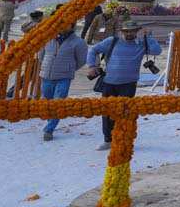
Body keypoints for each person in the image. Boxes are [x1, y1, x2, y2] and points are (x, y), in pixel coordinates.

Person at [87, 21, 161, 150]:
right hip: (109, 82)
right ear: (122, 31)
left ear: (136, 31)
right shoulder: (112, 41)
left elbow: (157, 51)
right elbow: (93, 50)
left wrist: (148, 36)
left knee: (125, 113)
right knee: (107, 112)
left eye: (132, 31)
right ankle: (108, 140)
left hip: (128, 84)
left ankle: (123, 140)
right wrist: (92, 66)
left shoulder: (141, 43)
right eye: (126, 31)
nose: (129, 33)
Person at [38, 25, 87, 141]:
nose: (62, 26)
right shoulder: (48, 38)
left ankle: (49, 129)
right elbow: (41, 56)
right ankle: (51, 122)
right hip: (46, 75)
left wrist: (68, 68)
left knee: (58, 103)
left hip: (63, 77)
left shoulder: (78, 42)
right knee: (48, 102)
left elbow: (81, 61)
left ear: (72, 25)